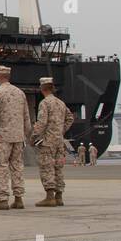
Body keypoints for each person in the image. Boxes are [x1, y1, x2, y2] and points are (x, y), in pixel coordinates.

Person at [0, 65, 31, 210]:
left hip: (2, 138)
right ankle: (18, 198)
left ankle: (3, 199)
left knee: (1, 167)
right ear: (8, 76)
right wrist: (27, 134)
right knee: (17, 167)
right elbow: (26, 117)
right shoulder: (20, 93)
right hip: (18, 137)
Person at [31, 77, 75, 207]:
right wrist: (61, 131)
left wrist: (34, 137)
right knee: (58, 168)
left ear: (42, 88)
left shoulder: (45, 103)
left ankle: (50, 197)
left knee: (47, 167)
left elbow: (42, 122)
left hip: (48, 142)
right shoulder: (61, 103)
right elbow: (70, 118)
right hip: (59, 141)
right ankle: (59, 196)